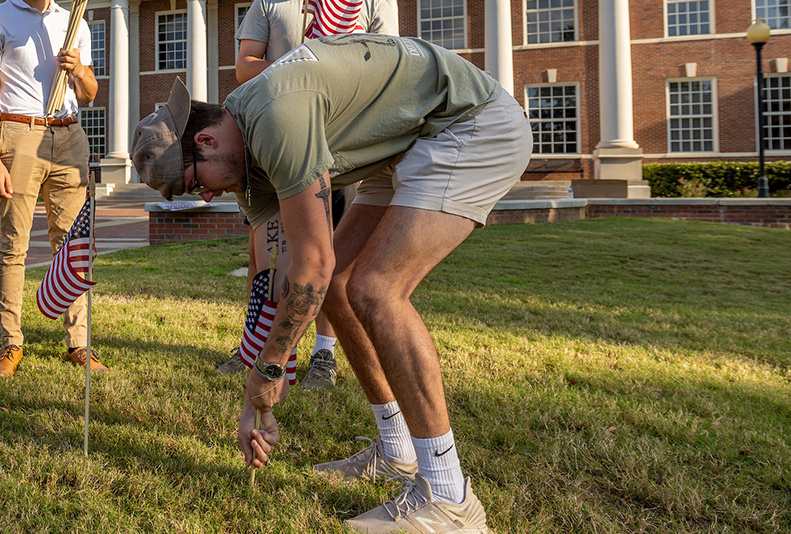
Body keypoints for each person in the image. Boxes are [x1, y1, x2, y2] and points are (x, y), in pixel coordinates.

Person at [130, 34, 533, 533]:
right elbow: (277, 280)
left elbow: (312, 267)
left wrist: (271, 371)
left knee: (375, 288)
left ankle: (450, 500)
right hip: (408, 143)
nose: (206, 199)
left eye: (194, 184)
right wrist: (257, 392)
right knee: (342, 287)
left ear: (206, 141)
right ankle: (395, 452)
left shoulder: (276, 116)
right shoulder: (246, 162)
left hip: (469, 123)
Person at [224, 0, 396, 390]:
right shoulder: (271, 3)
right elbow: (244, 67)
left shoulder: (372, 5)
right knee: (268, 250)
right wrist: (298, 66)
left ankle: (324, 352)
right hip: (279, 145)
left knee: (331, 252)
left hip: (342, 147)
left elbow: (386, 68)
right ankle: (257, 345)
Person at [0, 0, 104, 379]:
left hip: (69, 135)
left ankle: (78, 342)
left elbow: (88, 94)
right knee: (14, 245)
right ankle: (11, 342)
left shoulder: (75, 21)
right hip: (19, 135)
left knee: (72, 245)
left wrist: (80, 69)